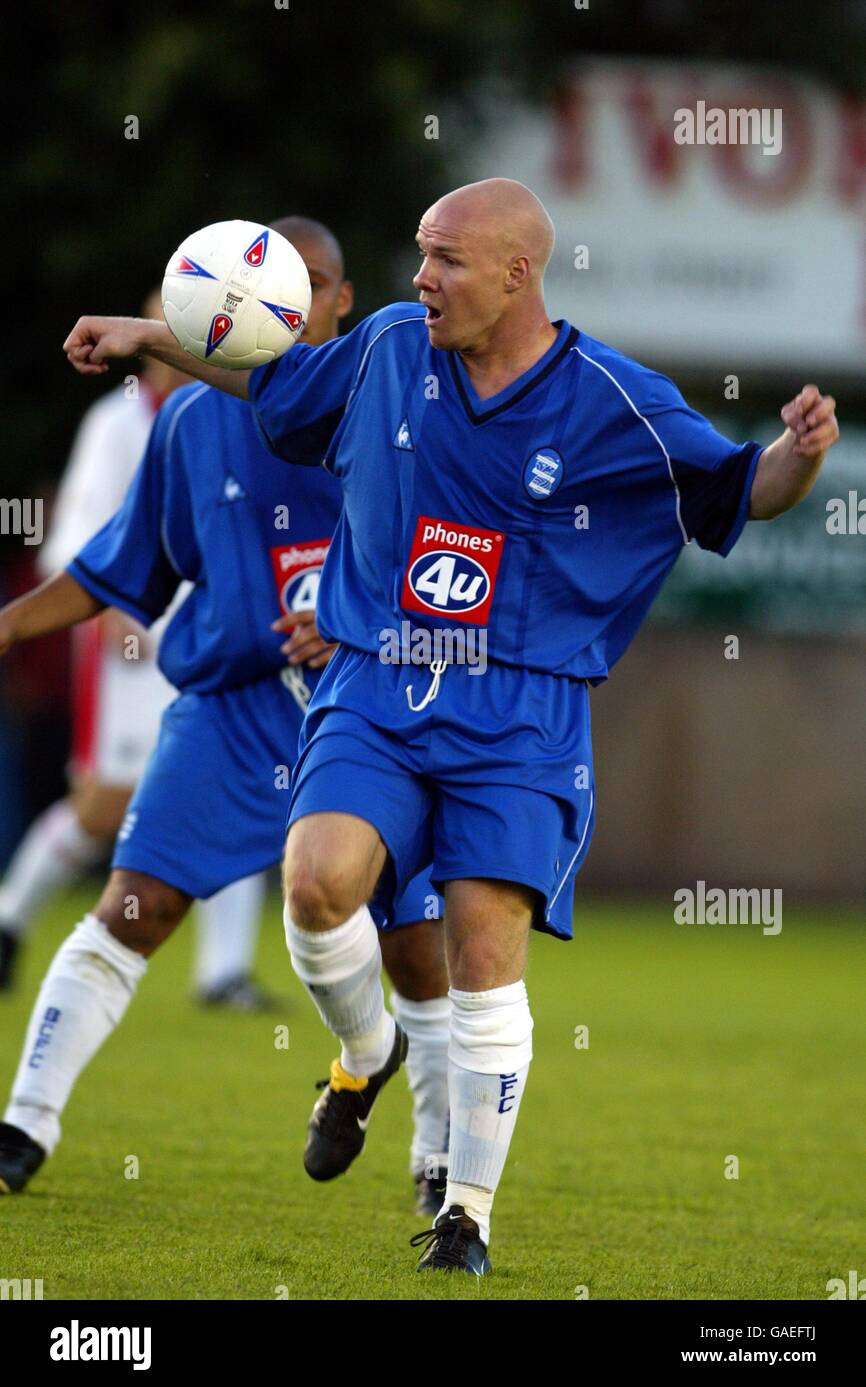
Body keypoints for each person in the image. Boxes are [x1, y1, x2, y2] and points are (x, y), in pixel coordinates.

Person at [60, 178, 840, 1275]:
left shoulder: (613, 397)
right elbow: (271, 378)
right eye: (418, 254)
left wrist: (798, 456)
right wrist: (151, 331)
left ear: (518, 273)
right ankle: (364, 1048)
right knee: (316, 881)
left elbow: (736, 489)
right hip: (376, 680)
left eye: (445, 259)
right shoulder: (385, 348)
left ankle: (464, 1213)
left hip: (517, 707)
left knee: (481, 950)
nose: (419, 277)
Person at [0, 217, 450, 1215]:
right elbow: (116, 568)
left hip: (370, 708)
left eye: (313, 284)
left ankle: (435, 1157)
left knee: (417, 947)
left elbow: (458, 568)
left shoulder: (394, 408)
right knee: (132, 906)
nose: (280, 309)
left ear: (338, 302)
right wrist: (9, 626)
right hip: (230, 708)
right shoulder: (190, 424)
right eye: (257, 291)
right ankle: (24, 1121)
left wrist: (361, 621)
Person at [0, 294, 271, 1012]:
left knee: (239, 784)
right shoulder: (119, 422)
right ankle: (7, 920)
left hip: (220, 640)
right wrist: (118, 614)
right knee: (102, 809)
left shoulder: (253, 415)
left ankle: (224, 973)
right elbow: (76, 539)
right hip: (130, 646)